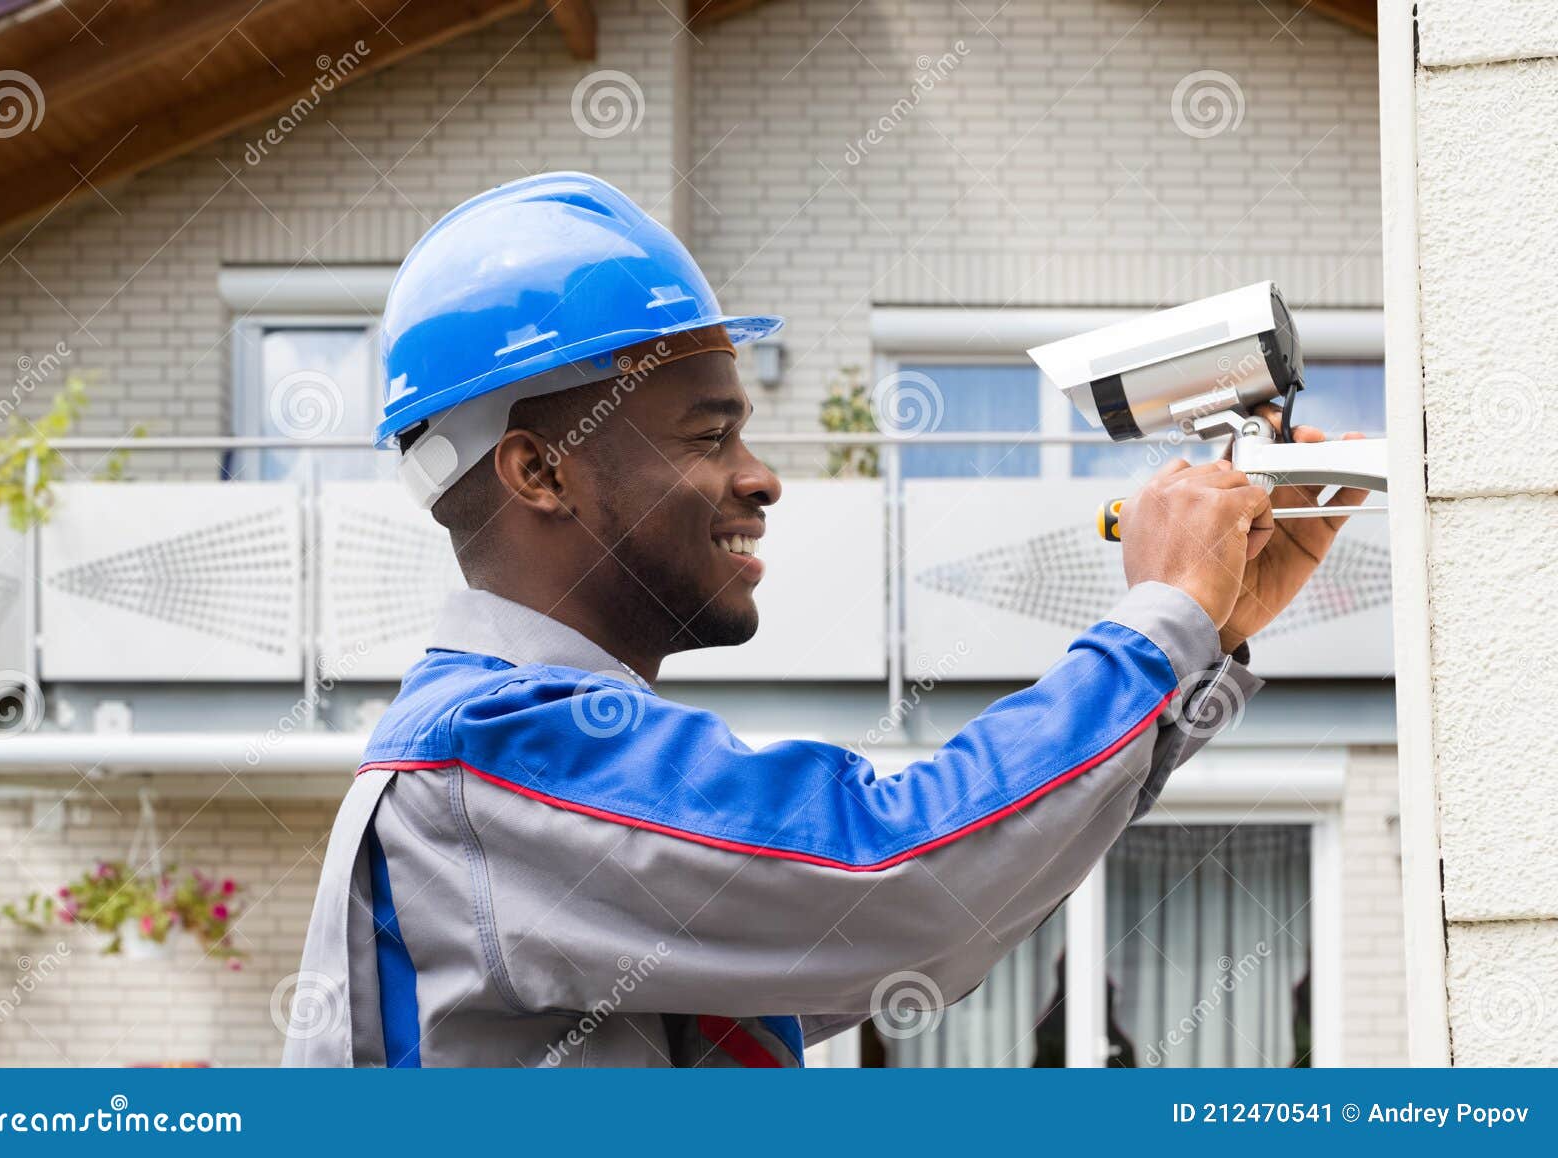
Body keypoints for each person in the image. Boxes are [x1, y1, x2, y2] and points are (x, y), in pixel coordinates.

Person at [283, 172, 1364, 1068]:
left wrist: (1202, 641)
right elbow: (888, 877)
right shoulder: (499, 751)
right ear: (540, 471)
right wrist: (1158, 622)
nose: (761, 479)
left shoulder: (539, 759)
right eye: (709, 436)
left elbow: (928, 910)